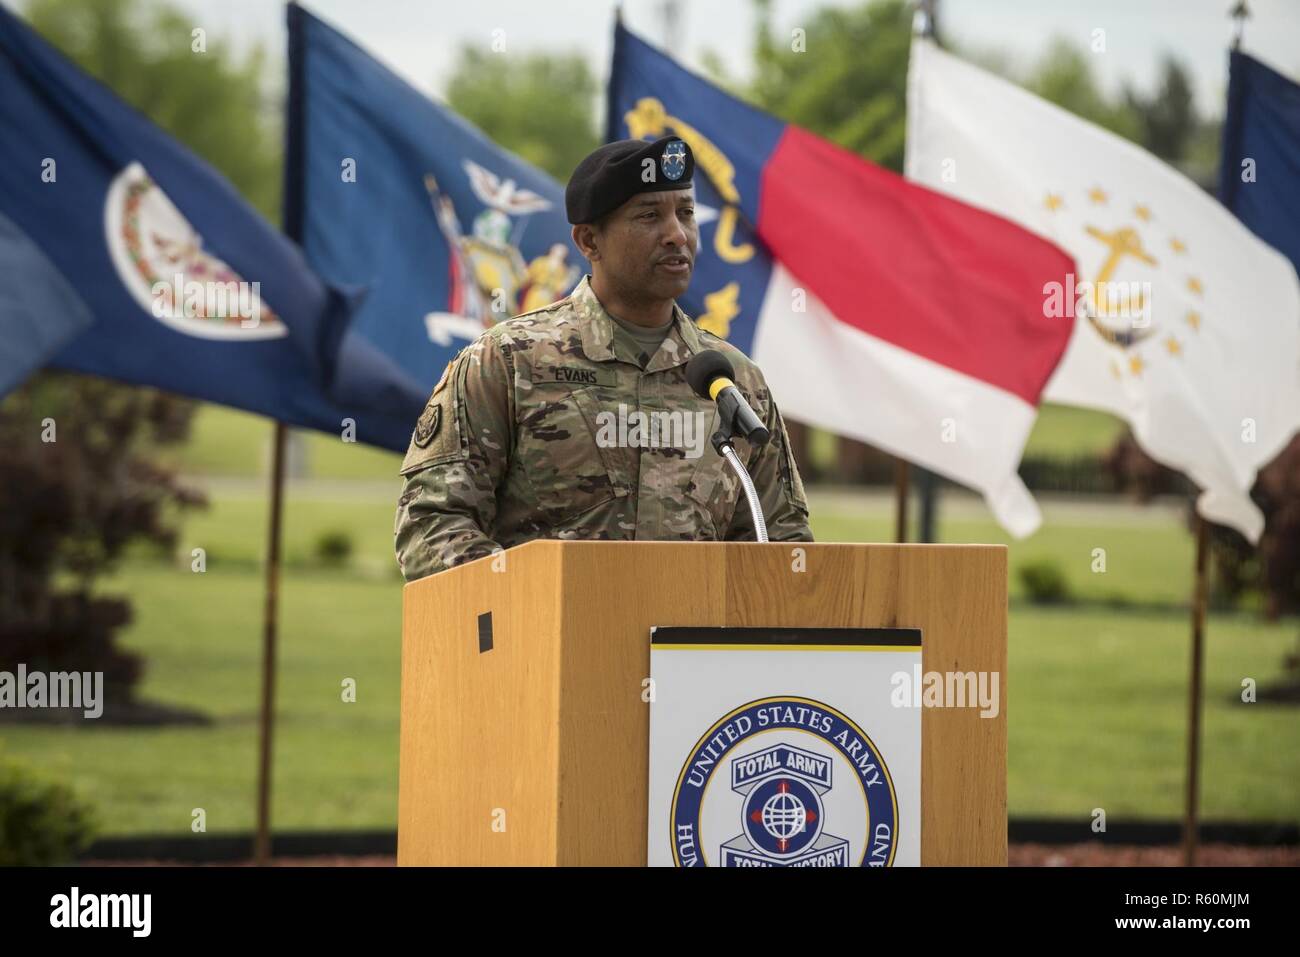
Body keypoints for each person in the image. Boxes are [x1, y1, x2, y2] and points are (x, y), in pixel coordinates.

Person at [394, 135, 811, 581]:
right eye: (650, 215)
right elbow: (431, 524)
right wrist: (528, 608)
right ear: (589, 241)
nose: (676, 234)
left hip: (689, 647)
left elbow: (780, 541)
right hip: (548, 642)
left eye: (685, 213)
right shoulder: (508, 362)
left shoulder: (731, 379)